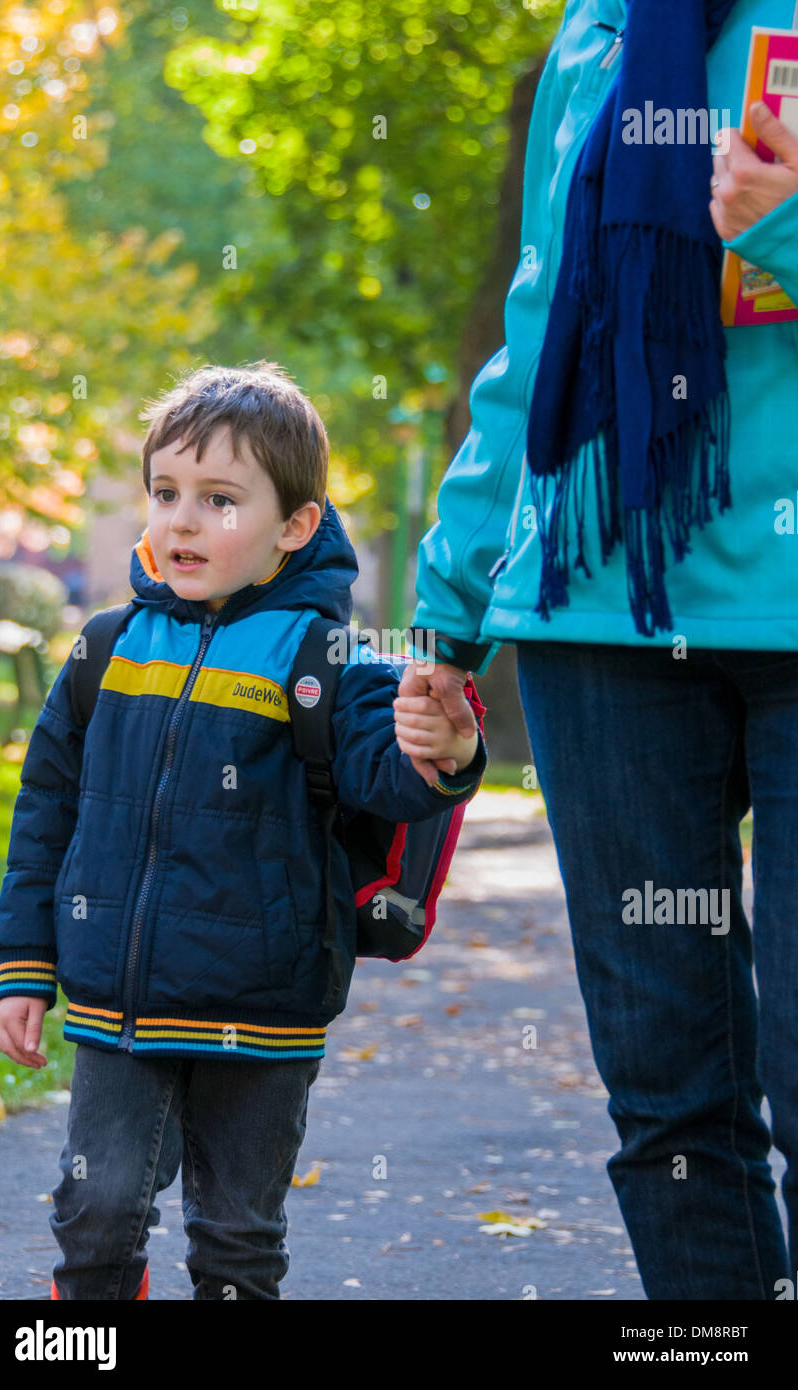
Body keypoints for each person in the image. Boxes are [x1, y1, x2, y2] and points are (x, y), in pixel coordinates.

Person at [401, 0, 798, 1300]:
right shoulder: (600, 30)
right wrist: (447, 607)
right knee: (670, 1099)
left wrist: (785, 226)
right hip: (598, 613)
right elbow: (538, 331)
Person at [0, 361, 487, 1301]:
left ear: (294, 526)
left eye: (219, 500)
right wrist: (24, 963)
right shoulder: (106, 648)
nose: (180, 521)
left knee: (237, 1240)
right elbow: (47, 808)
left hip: (263, 1007)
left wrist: (445, 749)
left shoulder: (325, 657)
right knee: (94, 1217)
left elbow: (388, 777)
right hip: (117, 1008)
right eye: (164, 493)